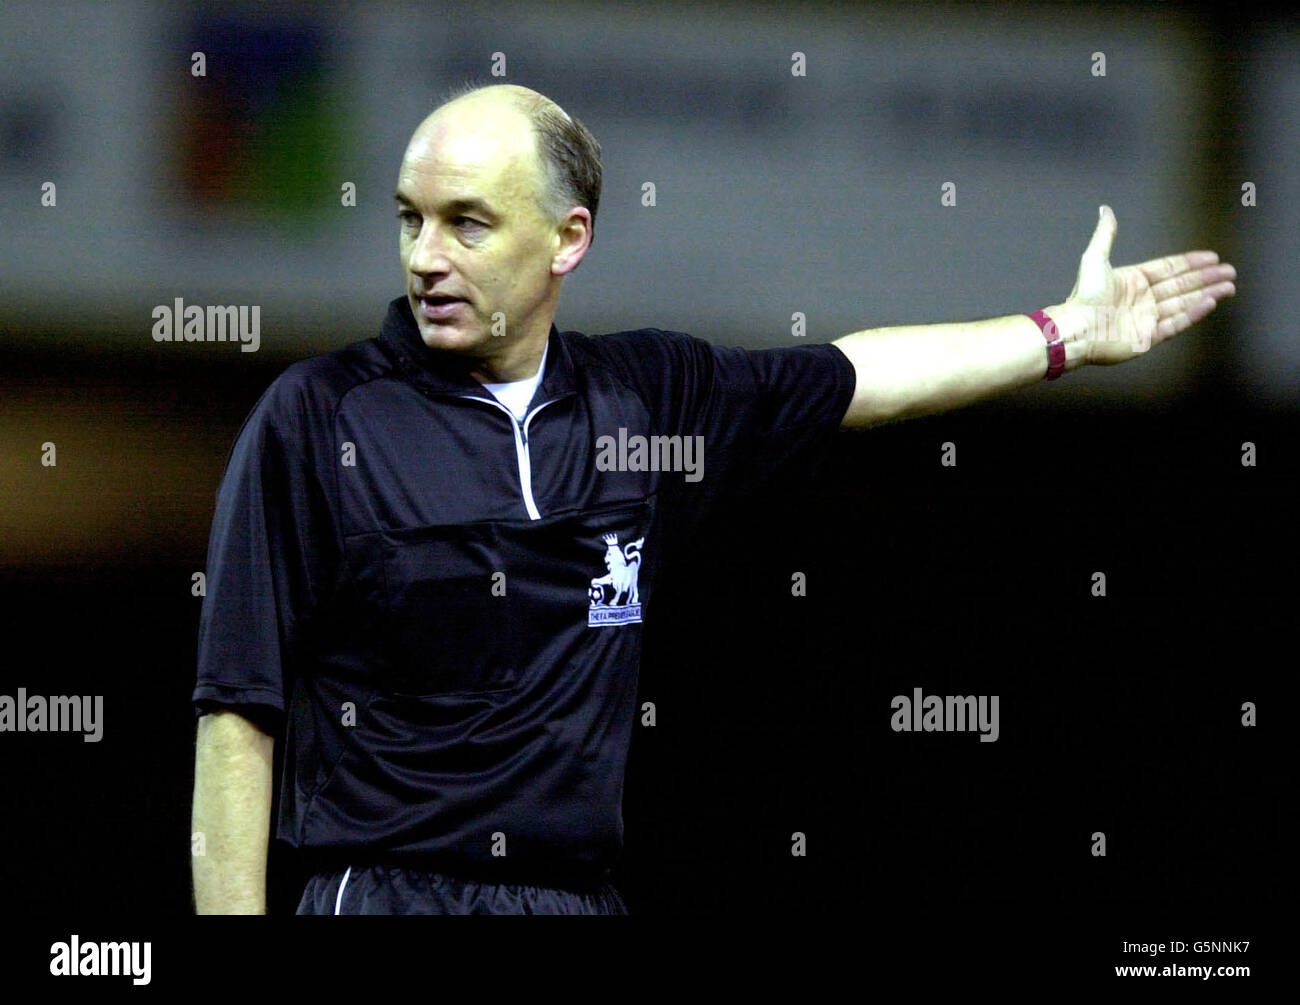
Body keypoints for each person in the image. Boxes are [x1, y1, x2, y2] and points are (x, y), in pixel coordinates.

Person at [190, 83, 1236, 916]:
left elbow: (855, 377)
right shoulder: (315, 420)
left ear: (568, 239)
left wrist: (1064, 334)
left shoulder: (644, 399)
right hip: (379, 898)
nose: (426, 257)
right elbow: (238, 712)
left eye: (467, 224)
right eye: (409, 220)